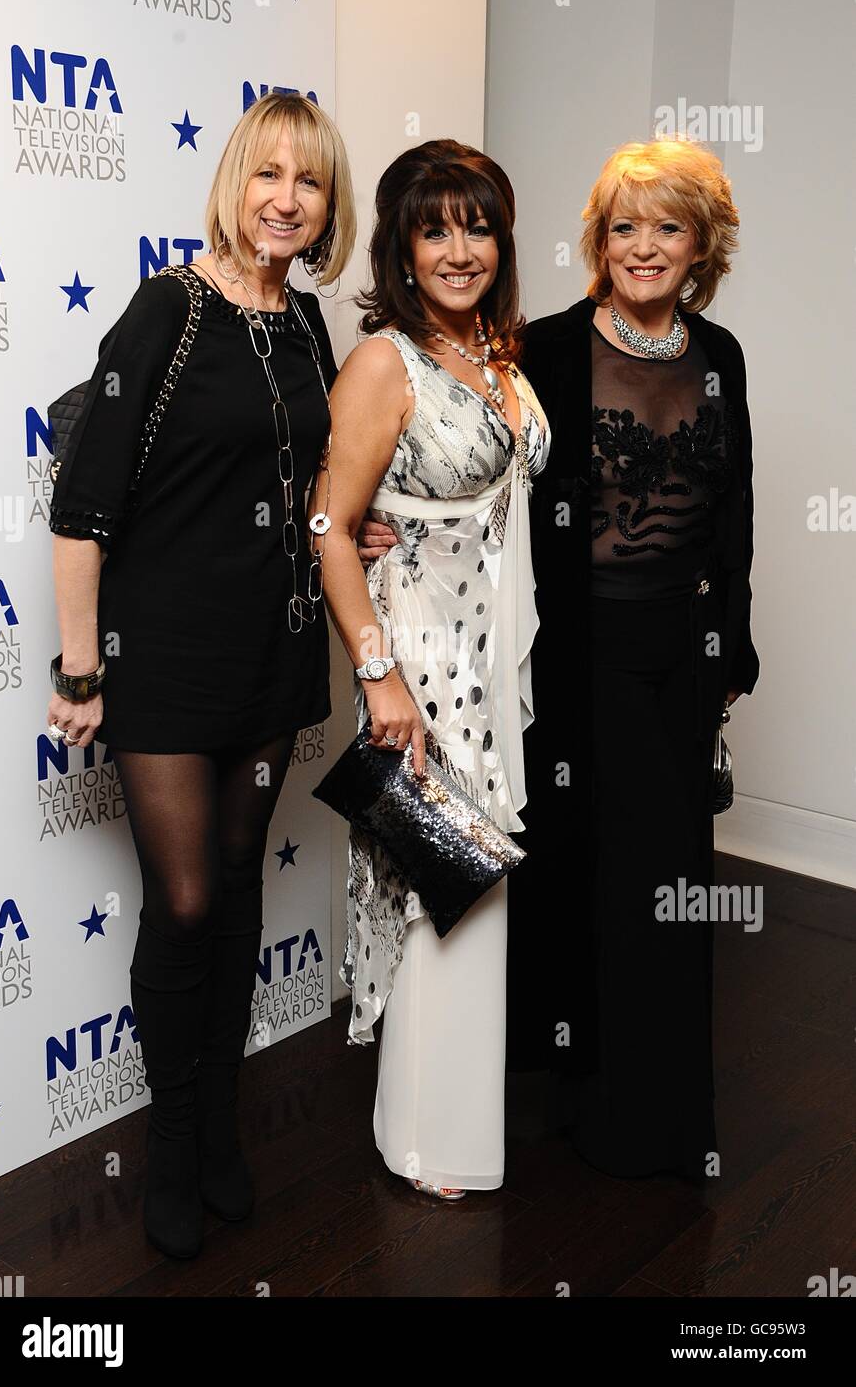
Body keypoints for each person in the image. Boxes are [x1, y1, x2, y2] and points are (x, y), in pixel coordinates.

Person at [360, 138, 759, 1180]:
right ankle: (553, 1089)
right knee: (569, 877)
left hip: (679, 655)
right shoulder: (536, 347)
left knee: (666, 887)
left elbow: (734, 512)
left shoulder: (719, 357)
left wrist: (730, 649)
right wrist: (378, 527)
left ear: (698, 246)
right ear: (597, 242)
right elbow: (470, 466)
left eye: (665, 227)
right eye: (622, 227)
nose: (641, 247)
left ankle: (658, 1112)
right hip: (564, 667)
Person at [47, 92, 355, 1257]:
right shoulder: (166, 312)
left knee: (235, 893)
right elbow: (84, 508)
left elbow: (306, 477)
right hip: (162, 661)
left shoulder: (308, 325)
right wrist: (83, 671)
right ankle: (172, 1145)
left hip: (273, 655)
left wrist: (347, 526)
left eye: (310, 181)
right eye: (268, 173)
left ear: (328, 204)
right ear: (235, 181)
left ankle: (221, 1134)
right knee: (181, 905)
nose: (286, 198)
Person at [320, 139, 550, 1200]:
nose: (459, 249)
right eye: (433, 227)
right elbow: (331, 524)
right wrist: (377, 677)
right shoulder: (384, 362)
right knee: (438, 882)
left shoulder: (495, 354)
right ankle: (422, 1136)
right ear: (401, 248)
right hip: (417, 653)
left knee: (476, 877)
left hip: (485, 658)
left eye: (477, 225)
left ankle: (451, 1121)